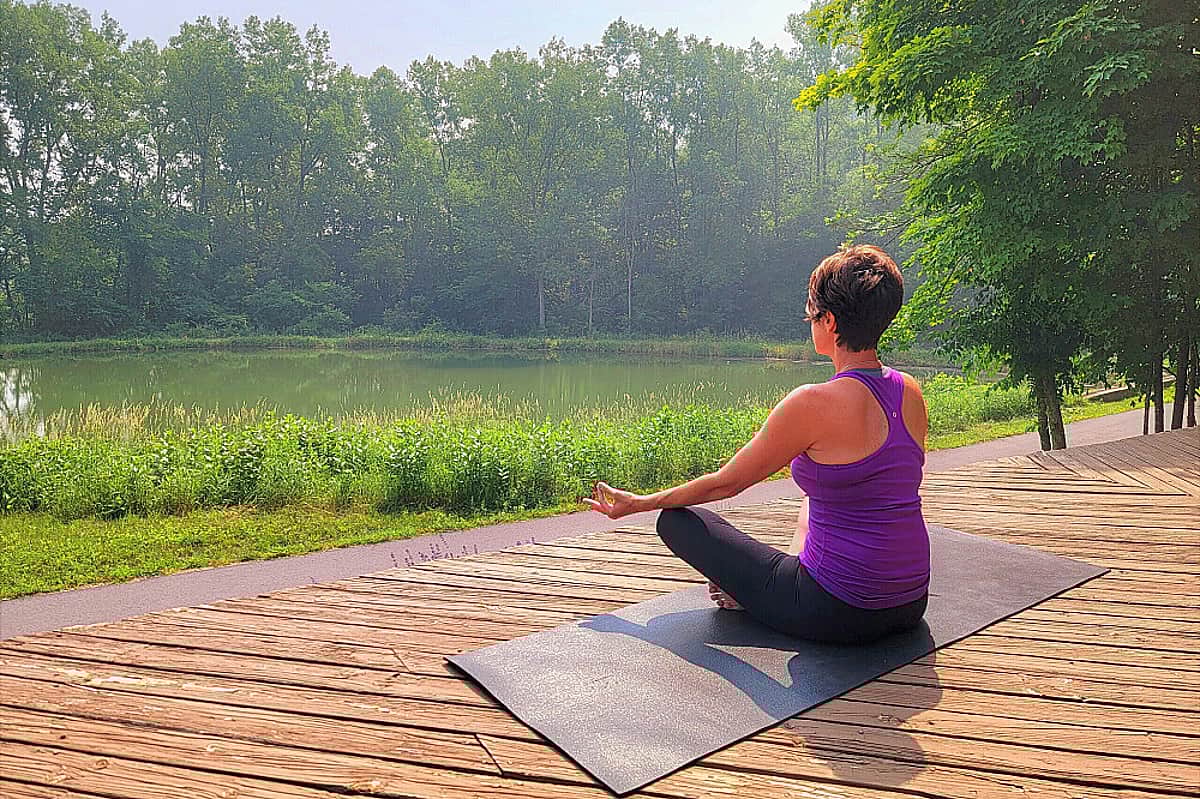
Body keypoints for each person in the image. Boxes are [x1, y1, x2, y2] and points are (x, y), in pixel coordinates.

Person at [583, 245, 930, 645]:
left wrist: (639, 503)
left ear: (830, 322)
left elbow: (726, 483)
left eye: (812, 313)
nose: (809, 321)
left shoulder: (811, 403)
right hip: (908, 603)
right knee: (814, 499)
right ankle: (777, 585)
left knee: (677, 520)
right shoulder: (910, 392)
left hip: (838, 611)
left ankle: (755, 598)